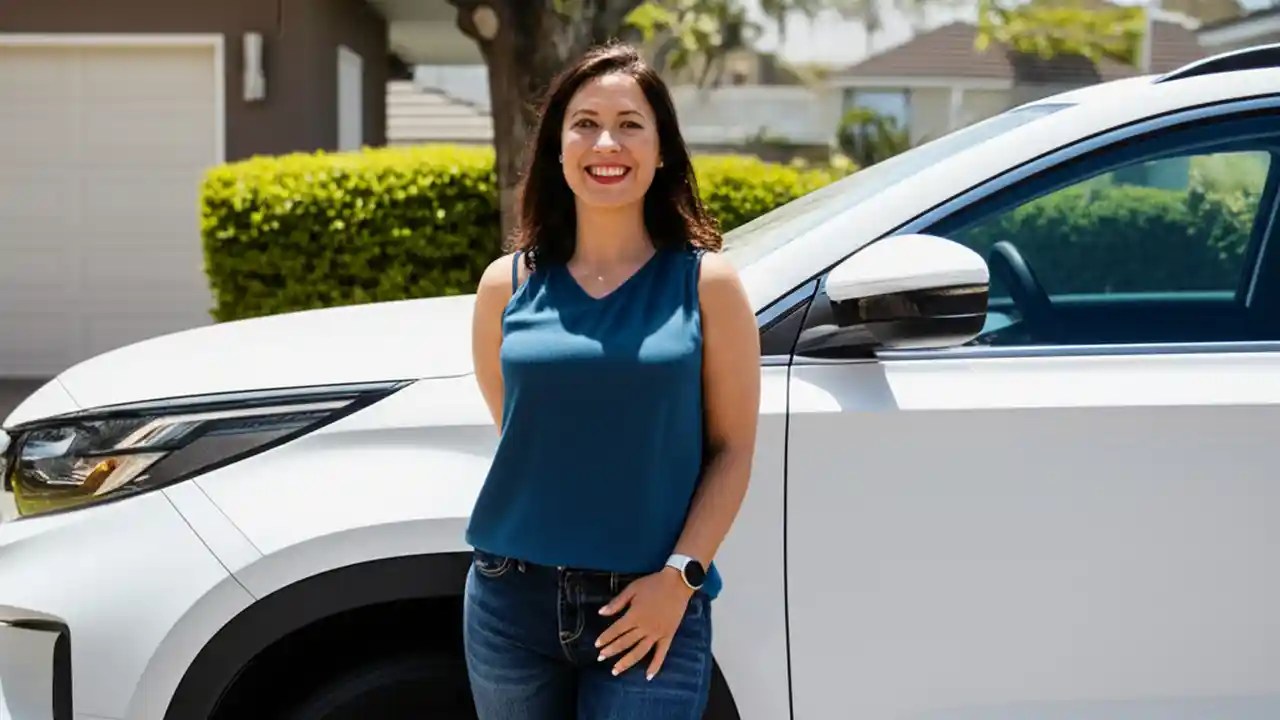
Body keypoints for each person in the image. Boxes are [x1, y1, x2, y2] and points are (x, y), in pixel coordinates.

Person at [465, 40, 761, 719]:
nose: (607, 142)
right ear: (558, 148)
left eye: (631, 124)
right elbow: (521, 431)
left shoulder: (707, 285)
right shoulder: (503, 287)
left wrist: (679, 578)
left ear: (661, 152)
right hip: (509, 605)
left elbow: (733, 450)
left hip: (651, 604)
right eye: (585, 123)